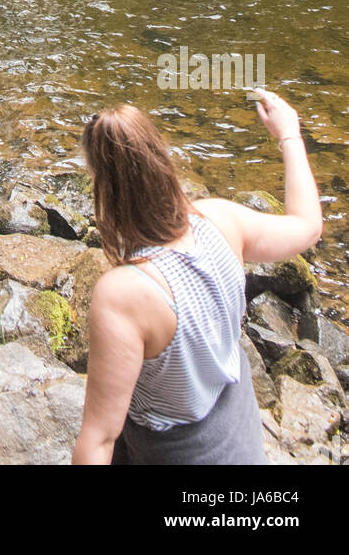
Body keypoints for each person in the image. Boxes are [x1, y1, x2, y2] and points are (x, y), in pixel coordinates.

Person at [72, 90, 322, 466]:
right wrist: (289, 134)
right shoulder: (220, 220)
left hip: (176, 453)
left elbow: (99, 439)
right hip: (237, 424)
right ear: (162, 160)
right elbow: (307, 225)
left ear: (102, 189)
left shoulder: (123, 295)